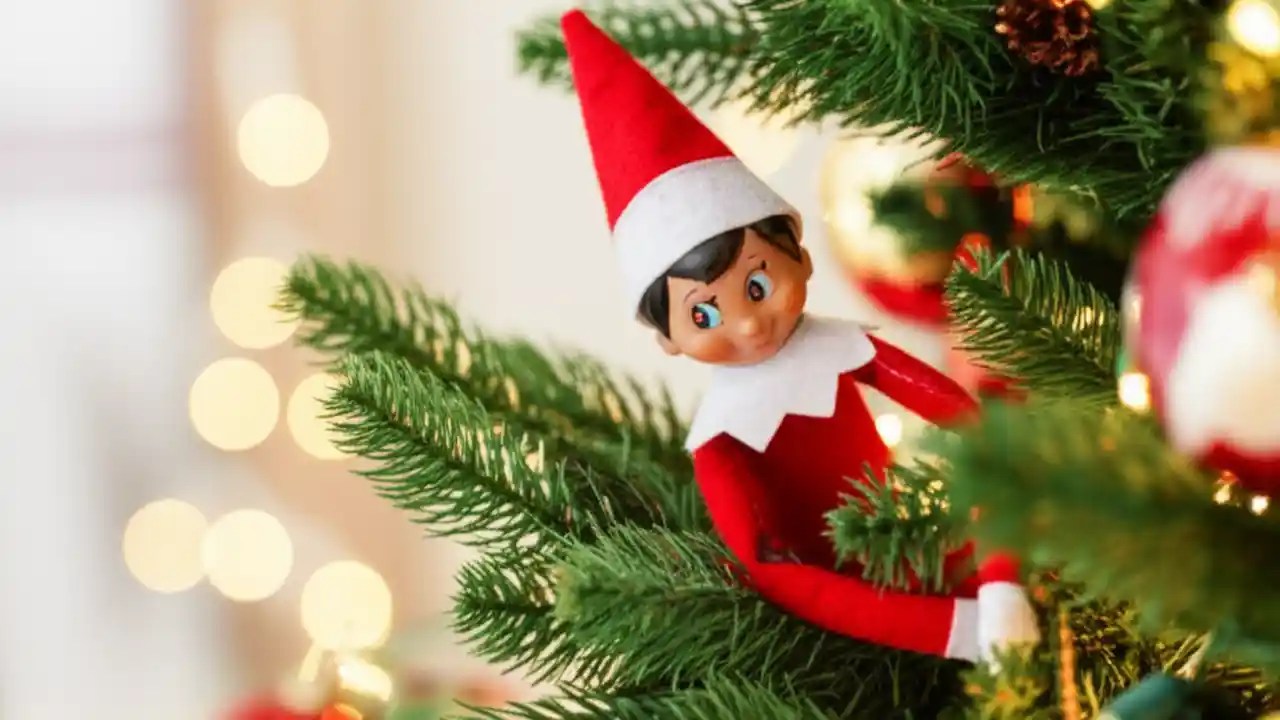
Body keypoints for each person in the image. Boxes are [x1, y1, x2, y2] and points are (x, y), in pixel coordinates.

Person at [560, 9, 1040, 663]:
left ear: (802, 258)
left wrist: (1003, 579)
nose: (749, 323)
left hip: (919, 546)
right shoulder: (722, 443)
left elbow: (970, 424)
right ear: (667, 339)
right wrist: (953, 629)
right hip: (863, 611)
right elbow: (777, 573)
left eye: (757, 286)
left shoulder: (841, 350)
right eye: (704, 315)